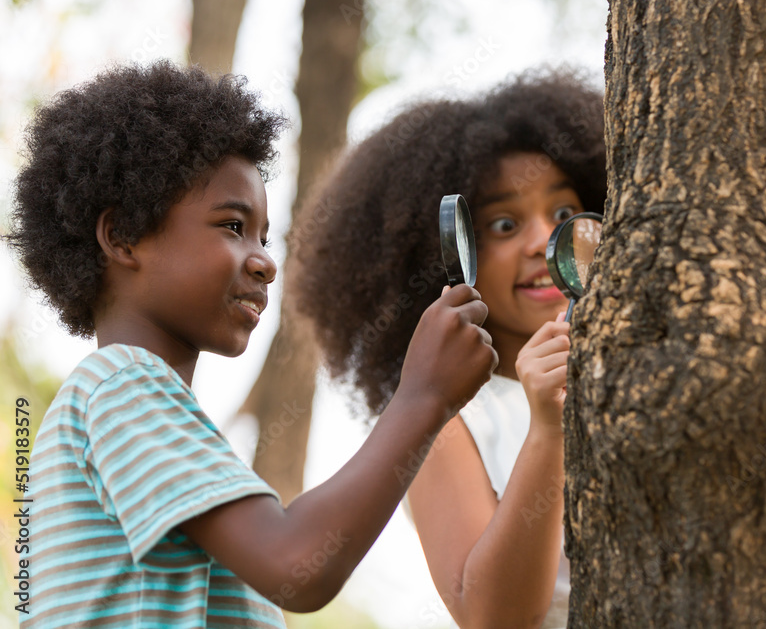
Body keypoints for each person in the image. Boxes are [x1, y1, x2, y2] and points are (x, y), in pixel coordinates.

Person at [6, 60, 496, 627]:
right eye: (232, 226)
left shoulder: (116, 405)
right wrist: (421, 400)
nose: (264, 261)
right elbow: (295, 562)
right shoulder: (123, 387)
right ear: (123, 237)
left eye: (264, 236)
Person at [290, 70, 606, 628]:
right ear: (446, 258)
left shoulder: (639, 374)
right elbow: (492, 617)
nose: (543, 241)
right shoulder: (447, 424)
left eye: (562, 214)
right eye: (505, 224)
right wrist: (549, 428)